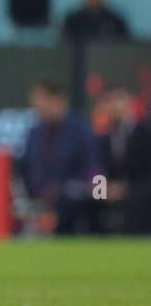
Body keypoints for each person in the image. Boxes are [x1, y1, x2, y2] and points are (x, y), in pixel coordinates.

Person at [17, 81, 102, 235]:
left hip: (72, 202)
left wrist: (97, 195)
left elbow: (94, 168)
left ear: (57, 101)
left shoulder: (81, 130)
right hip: (39, 199)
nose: (37, 108)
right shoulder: (34, 133)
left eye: (41, 102)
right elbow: (24, 166)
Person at [92, 86, 151, 234]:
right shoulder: (103, 138)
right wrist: (102, 188)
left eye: (118, 99)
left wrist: (126, 188)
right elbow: (97, 170)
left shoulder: (145, 133)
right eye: (109, 101)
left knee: (137, 201)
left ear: (129, 103)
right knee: (87, 200)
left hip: (140, 189)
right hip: (109, 190)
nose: (114, 105)